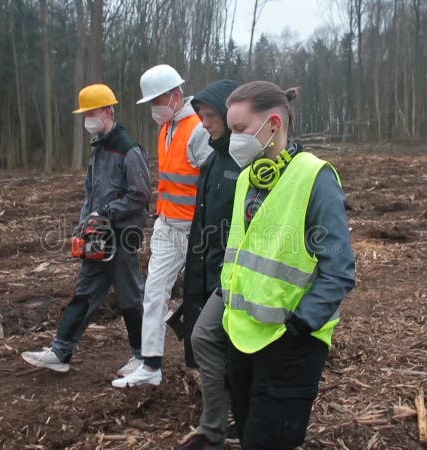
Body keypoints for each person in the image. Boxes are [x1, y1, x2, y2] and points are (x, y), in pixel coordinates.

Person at [220, 81, 356, 449]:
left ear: (274, 123)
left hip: (291, 342)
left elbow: (340, 268)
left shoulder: (316, 178)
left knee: (272, 440)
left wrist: (302, 324)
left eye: (240, 129)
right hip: (243, 336)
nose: (233, 139)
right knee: (251, 434)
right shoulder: (248, 176)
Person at [21, 84, 151, 378]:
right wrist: (84, 224)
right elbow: (92, 194)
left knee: (131, 296)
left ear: (108, 112)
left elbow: (141, 196)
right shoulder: (100, 149)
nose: (88, 119)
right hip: (98, 235)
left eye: (92, 113)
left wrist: (106, 212)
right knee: (85, 291)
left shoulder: (128, 150)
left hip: (121, 236)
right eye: (85, 114)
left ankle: (144, 356)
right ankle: (60, 351)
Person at [112, 64, 212, 388]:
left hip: (195, 232)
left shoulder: (198, 130)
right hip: (168, 226)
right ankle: (150, 366)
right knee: (153, 293)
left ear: (176, 95)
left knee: (206, 297)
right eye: (151, 101)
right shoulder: (167, 128)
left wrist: (205, 231)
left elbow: (212, 185)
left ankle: (212, 366)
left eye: (158, 99)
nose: (155, 107)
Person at [175, 79, 241, 450]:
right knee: (207, 340)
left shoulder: (245, 161)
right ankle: (220, 423)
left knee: (213, 341)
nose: (204, 123)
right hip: (214, 273)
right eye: (201, 116)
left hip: (237, 277)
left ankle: (225, 424)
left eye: (211, 115)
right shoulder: (215, 160)